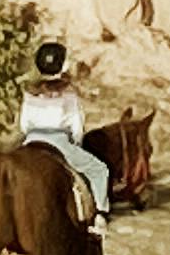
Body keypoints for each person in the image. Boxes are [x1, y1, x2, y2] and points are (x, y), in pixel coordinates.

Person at [18, 39, 115, 233]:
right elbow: (77, 127)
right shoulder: (68, 94)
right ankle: (100, 217)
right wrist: (75, 144)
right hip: (58, 141)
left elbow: (23, 124)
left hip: (30, 141)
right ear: (62, 65)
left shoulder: (30, 92)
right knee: (99, 170)